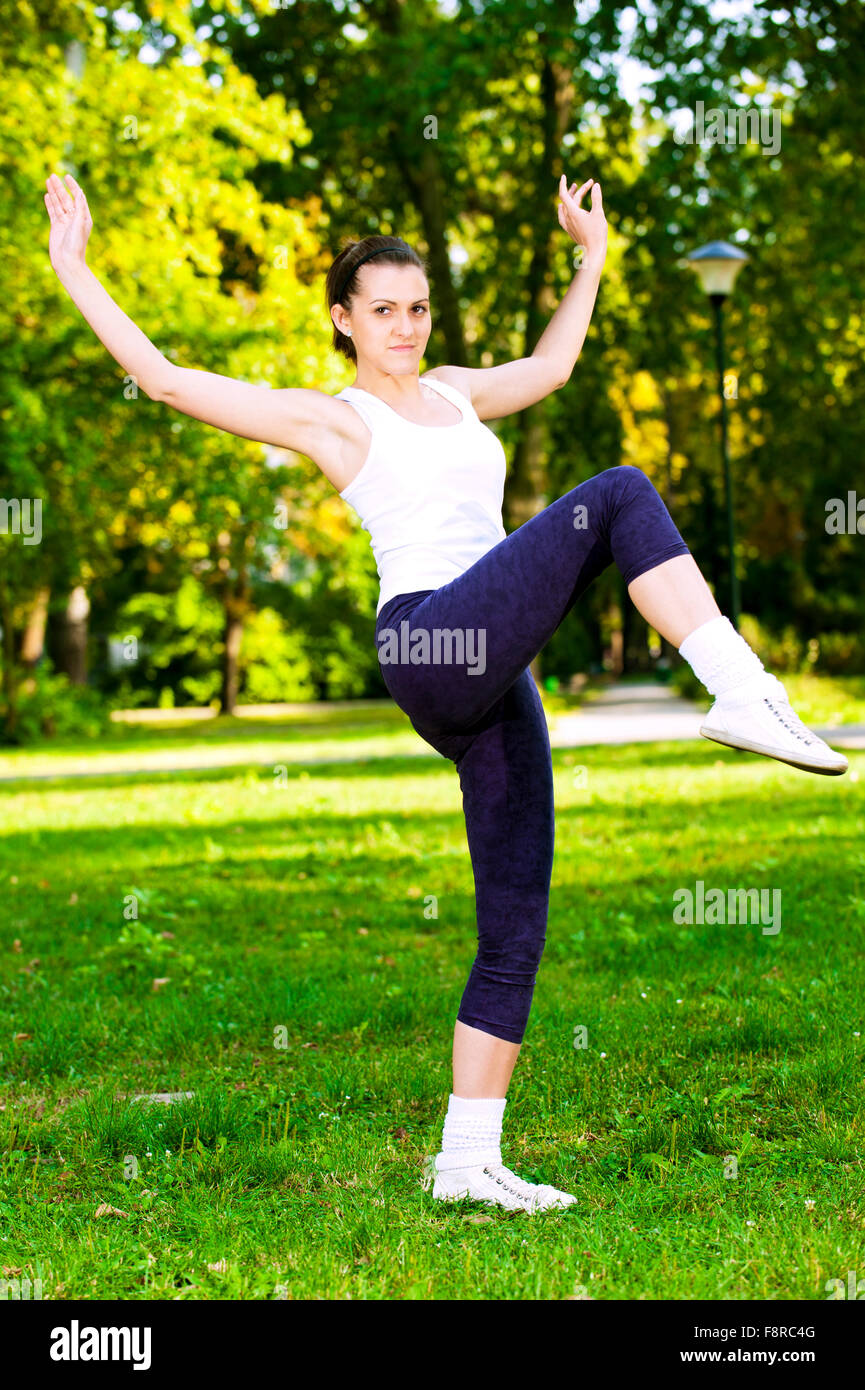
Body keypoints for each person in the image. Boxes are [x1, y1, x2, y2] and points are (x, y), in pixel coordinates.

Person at [45, 170, 847, 1216]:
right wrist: (74, 266)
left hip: (492, 664)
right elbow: (163, 376)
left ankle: (465, 1160)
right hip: (429, 638)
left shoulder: (461, 392)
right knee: (615, 495)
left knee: (516, 916)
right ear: (343, 319)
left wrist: (590, 255)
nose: (405, 326)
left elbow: (555, 366)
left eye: (417, 306)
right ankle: (741, 690)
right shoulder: (329, 419)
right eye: (382, 309)